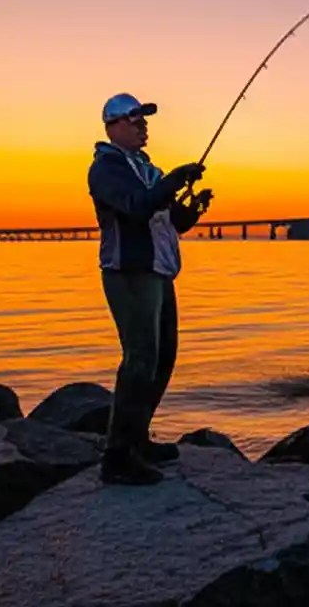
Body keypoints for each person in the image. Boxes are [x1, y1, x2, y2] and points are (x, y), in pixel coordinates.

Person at [88, 93, 213, 485]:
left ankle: (138, 437)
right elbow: (136, 206)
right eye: (135, 119)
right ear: (113, 127)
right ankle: (117, 457)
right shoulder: (105, 169)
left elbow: (171, 220)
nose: (144, 126)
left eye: (145, 120)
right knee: (140, 358)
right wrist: (174, 180)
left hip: (159, 270)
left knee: (163, 357)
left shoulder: (147, 168)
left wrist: (191, 206)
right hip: (129, 272)